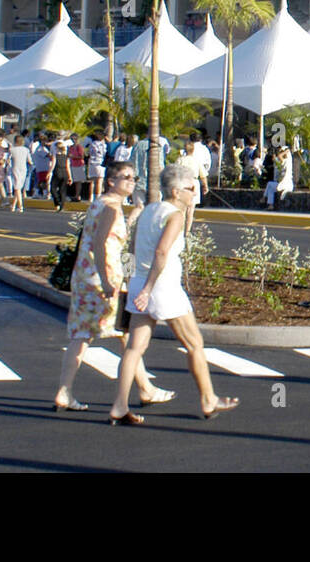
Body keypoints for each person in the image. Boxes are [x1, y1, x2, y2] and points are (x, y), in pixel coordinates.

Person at [108, 165, 239, 424]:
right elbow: (161, 253)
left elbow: (129, 249)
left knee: (134, 348)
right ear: (176, 191)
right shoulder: (175, 215)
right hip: (163, 288)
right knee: (194, 344)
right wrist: (147, 288)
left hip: (138, 285)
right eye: (191, 189)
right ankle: (208, 399)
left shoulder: (147, 211)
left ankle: (119, 406)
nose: (195, 193)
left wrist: (130, 281)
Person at [54, 161, 172, 412]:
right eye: (125, 177)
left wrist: (133, 216)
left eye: (133, 177)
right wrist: (108, 281)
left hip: (85, 277)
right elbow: (99, 245)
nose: (131, 181)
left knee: (84, 335)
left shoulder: (101, 204)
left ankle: (65, 391)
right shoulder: (110, 208)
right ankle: (145, 389)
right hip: (102, 279)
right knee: (126, 332)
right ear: (111, 181)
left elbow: (108, 239)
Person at [8, 134, 32, 213]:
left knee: (17, 188)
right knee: (18, 188)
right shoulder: (26, 150)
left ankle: (20, 206)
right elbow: (29, 161)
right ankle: (14, 206)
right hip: (24, 169)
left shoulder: (12, 150)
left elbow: (8, 160)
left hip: (15, 168)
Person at [50, 136, 72, 212]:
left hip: (57, 171)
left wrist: (49, 172)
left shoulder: (55, 156)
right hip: (65, 173)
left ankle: (57, 202)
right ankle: (61, 206)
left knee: (53, 188)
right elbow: (68, 167)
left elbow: (53, 164)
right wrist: (70, 177)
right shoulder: (66, 157)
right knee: (62, 190)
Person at [87, 131, 108, 201]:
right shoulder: (103, 145)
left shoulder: (92, 144)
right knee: (99, 181)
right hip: (100, 163)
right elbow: (104, 153)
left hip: (92, 163)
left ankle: (90, 197)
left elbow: (89, 153)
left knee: (92, 181)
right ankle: (97, 197)